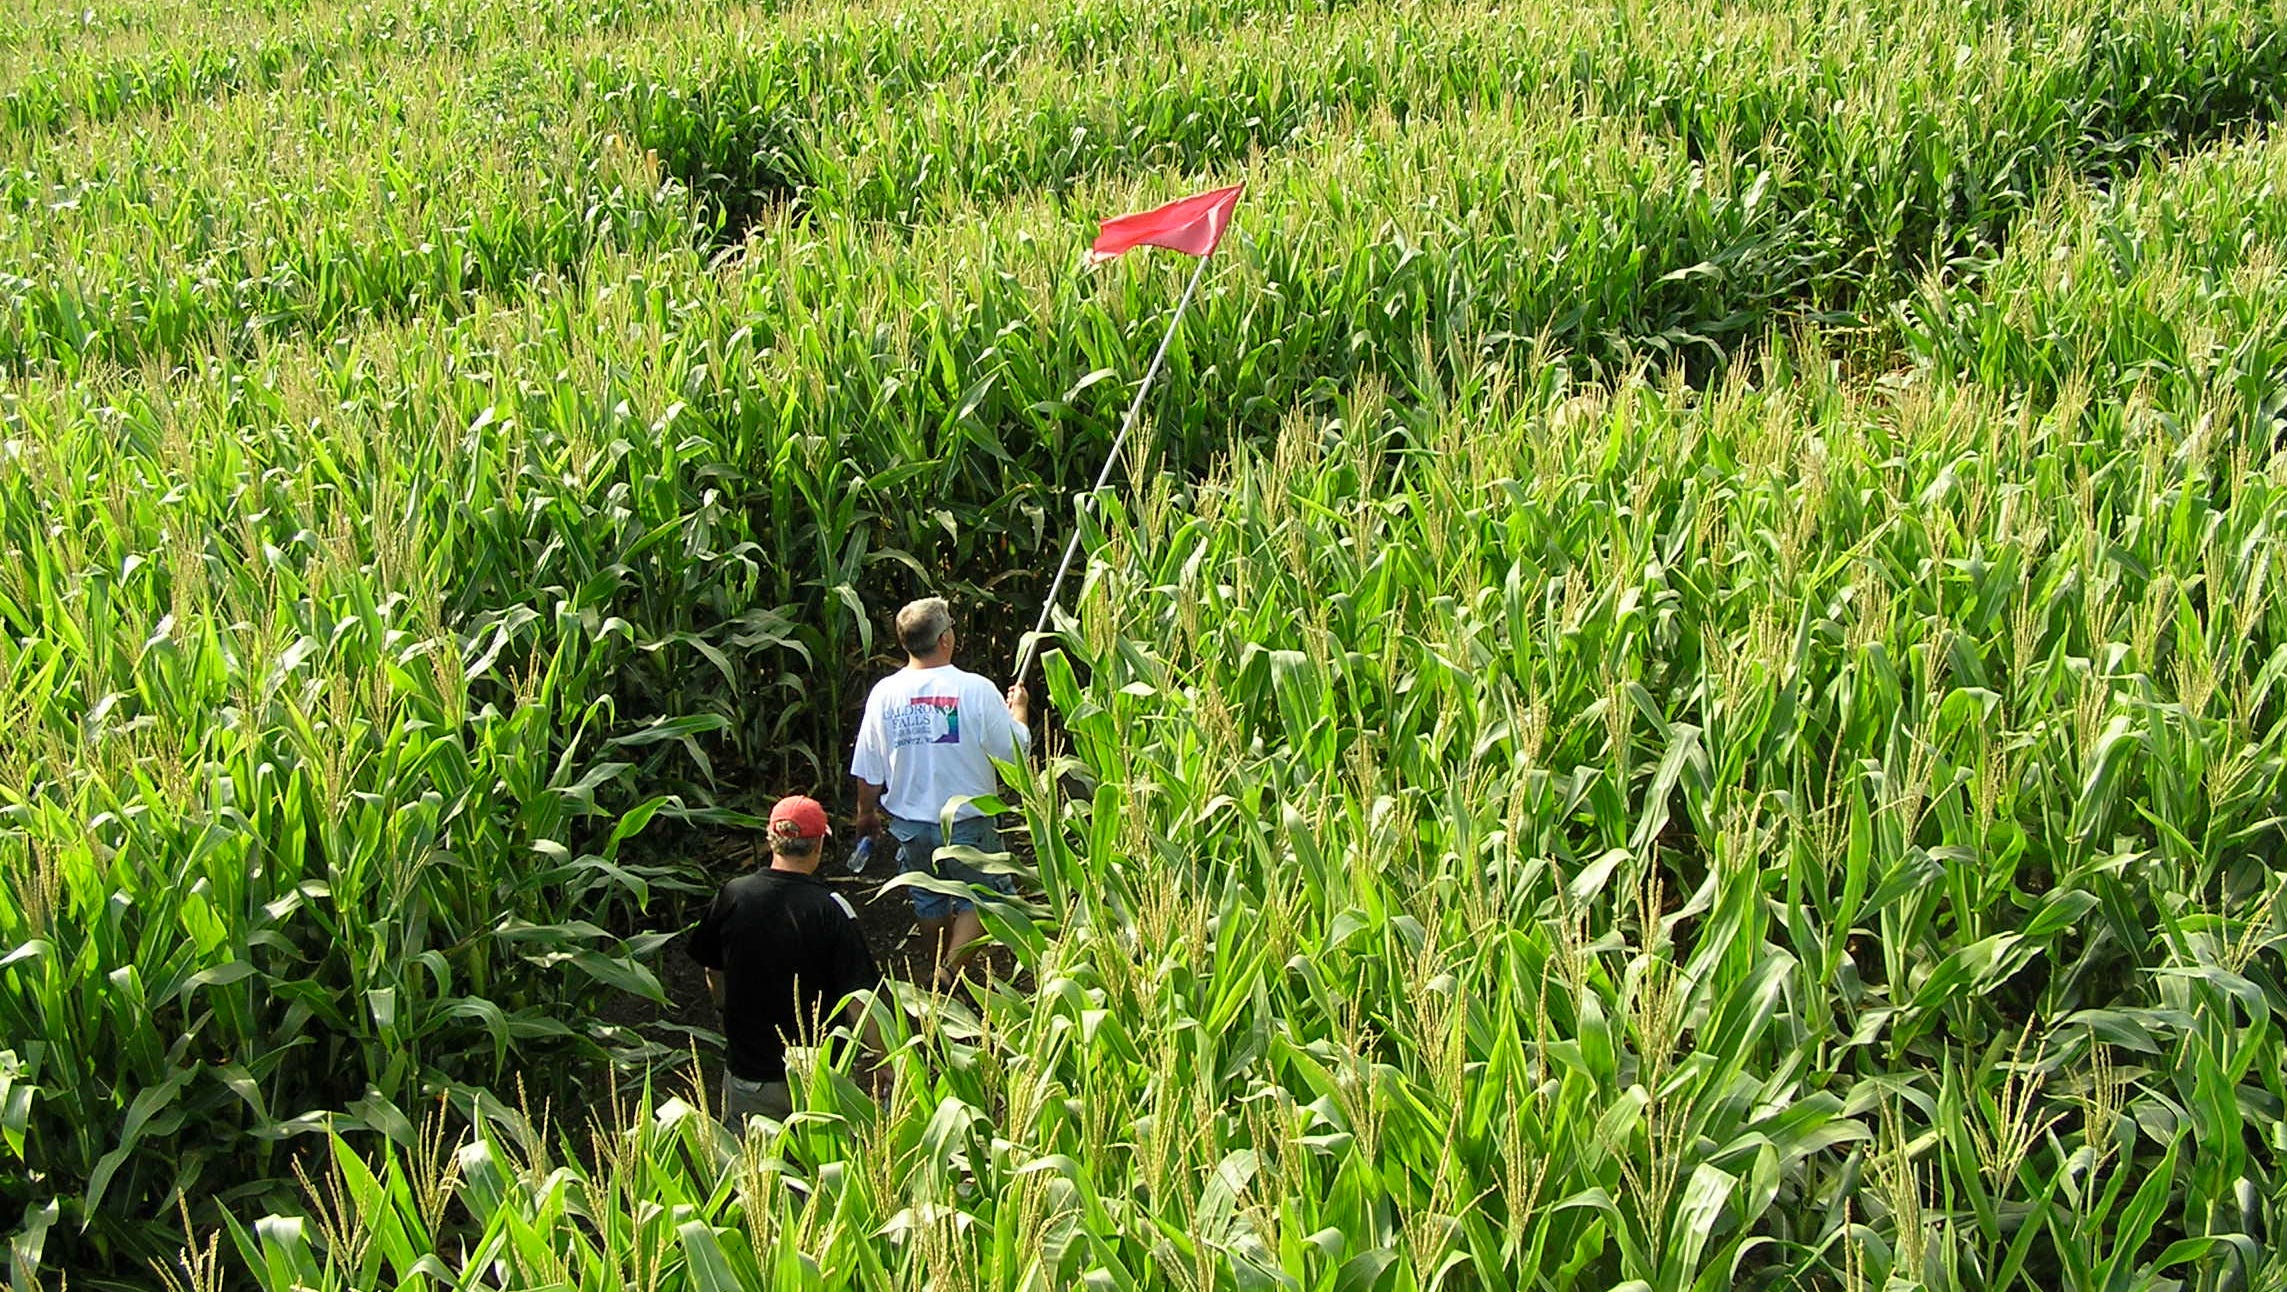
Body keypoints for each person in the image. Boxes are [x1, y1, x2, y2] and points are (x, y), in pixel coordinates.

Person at [850, 596, 1032, 987]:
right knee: (986, 897)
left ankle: (935, 967)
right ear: (945, 638)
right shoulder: (976, 690)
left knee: (928, 895)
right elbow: (1014, 753)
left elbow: (868, 766)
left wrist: (866, 813)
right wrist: (1018, 711)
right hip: (967, 822)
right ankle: (949, 970)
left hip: (911, 824)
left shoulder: (885, 693)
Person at [687, 794, 882, 1129]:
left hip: (751, 1074)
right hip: (818, 1077)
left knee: (750, 1172)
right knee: (824, 1171)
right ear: (819, 844)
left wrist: (723, 1012)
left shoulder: (732, 895)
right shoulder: (830, 909)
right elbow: (860, 1000)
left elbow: (712, 969)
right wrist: (885, 1059)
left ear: (769, 839)